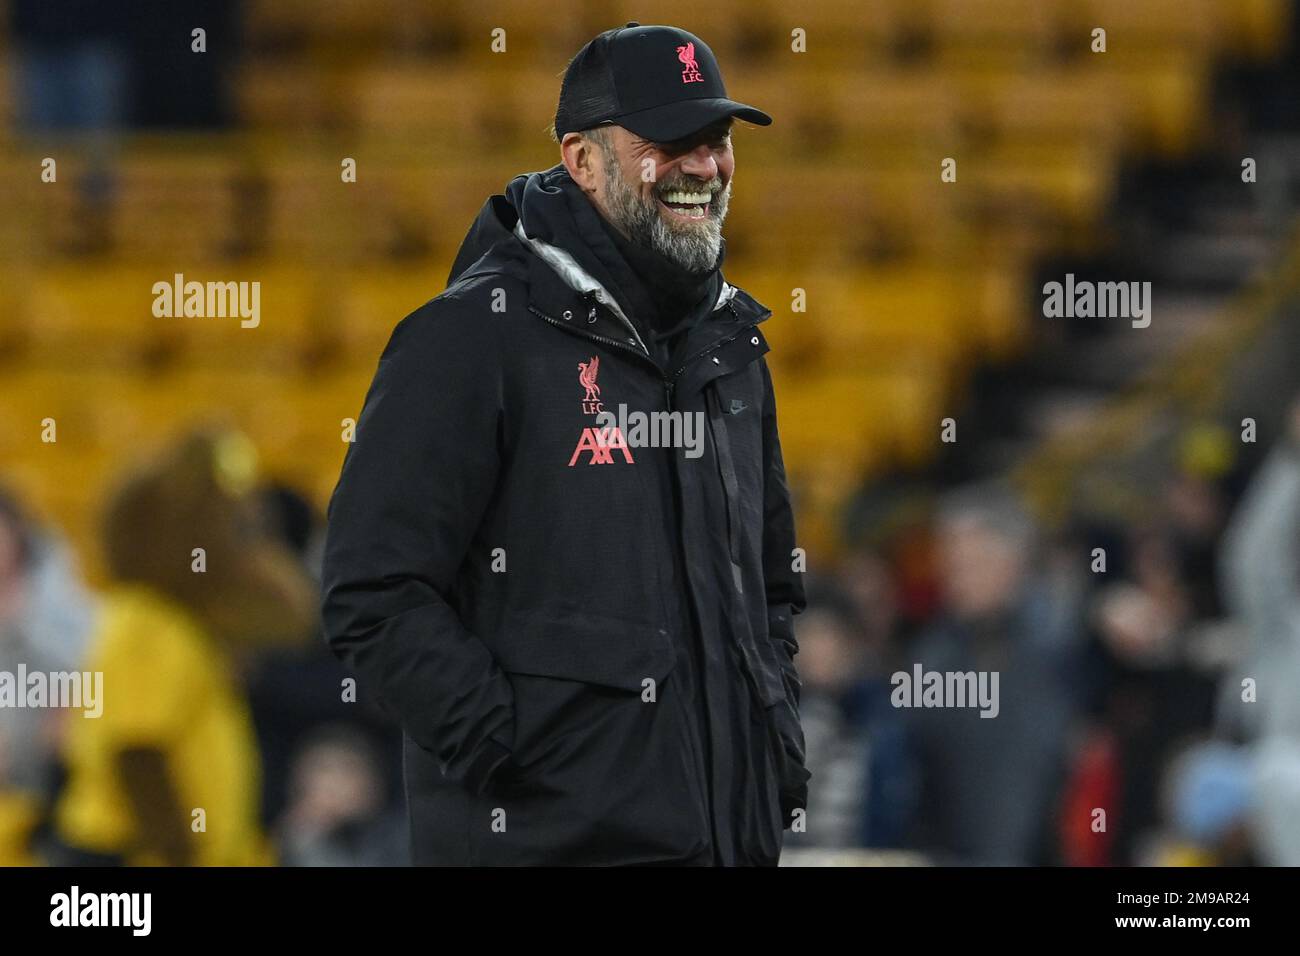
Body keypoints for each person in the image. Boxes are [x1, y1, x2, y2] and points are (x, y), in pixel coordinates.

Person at [321, 23, 809, 866]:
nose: (704, 166)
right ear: (581, 159)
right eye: (670, 141)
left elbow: (770, 593)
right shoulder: (471, 338)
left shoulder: (730, 347)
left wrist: (774, 751)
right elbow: (373, 590)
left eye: (718, 141)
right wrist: (521, 759)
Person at [51, 429, 316, 865]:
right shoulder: (147, 623)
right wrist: (177, 851)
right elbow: (137, 751)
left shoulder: (182, 624)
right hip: (129, 855)